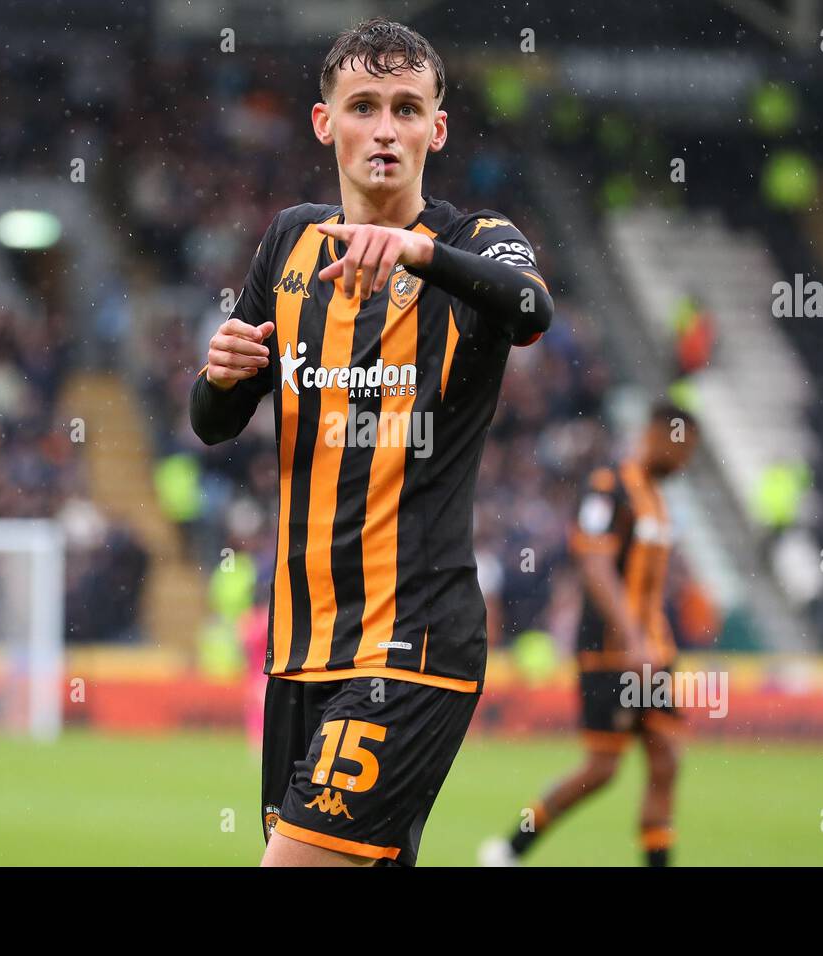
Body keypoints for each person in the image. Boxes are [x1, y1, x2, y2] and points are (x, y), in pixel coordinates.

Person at [188, 17, 552, 866]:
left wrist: (417, 253)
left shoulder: (474, 243)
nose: (385, 129)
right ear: (326, 124)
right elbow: (213, 423)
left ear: (437, 127)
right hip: (300, 651)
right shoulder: (289, 240)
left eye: (405, 108)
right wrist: (221, 372)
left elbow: (533, 311)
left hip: (411, 645)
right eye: (362, 106)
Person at [480, 403, 698, 866]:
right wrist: (632, 636)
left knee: (667, 758)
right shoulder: (609, 487)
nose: (686, 461)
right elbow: (595, 563)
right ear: (657, 436)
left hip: (654, 653)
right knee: (602, 769)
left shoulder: (658, 498)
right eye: (683, 448)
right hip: (611, 654)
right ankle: (512, 847)